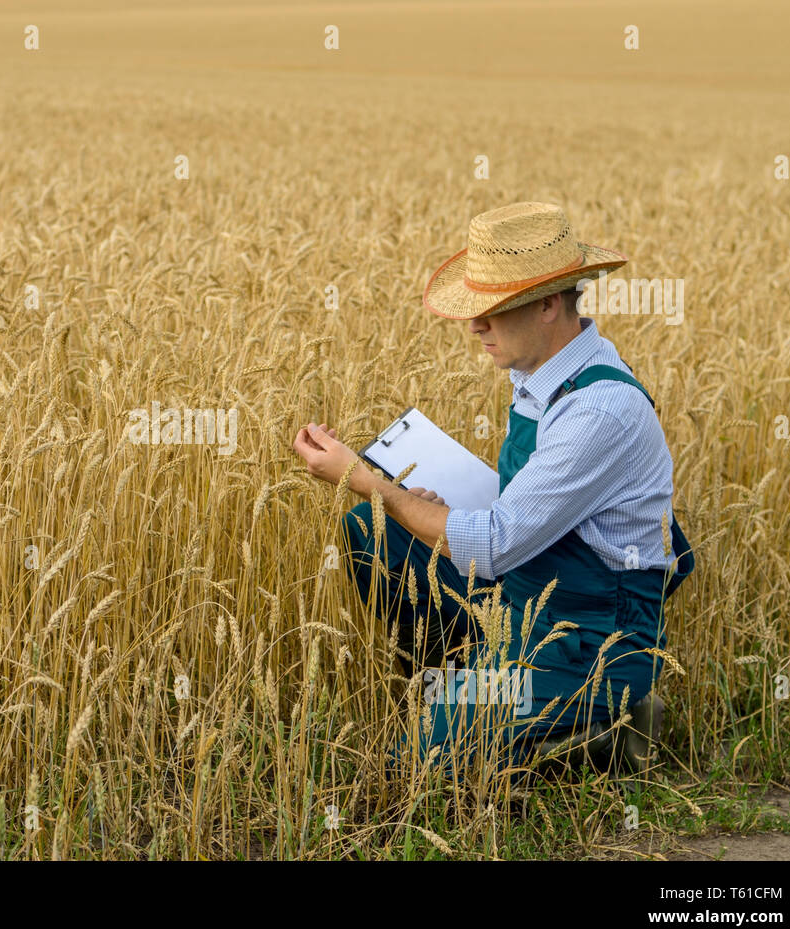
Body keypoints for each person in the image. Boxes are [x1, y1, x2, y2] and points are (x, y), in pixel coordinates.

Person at [292, 202, 694, 771]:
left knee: (419, 765)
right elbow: (526, 518)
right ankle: (479, 688)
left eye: (493, 311)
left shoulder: (600, 410)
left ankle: (605, 723)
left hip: (591, 638)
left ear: (549, 304)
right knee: (372, 530)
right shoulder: (539, 372)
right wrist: (415, 508)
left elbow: (498, 542)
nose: (474, 325)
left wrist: (366, 480)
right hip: (525, 593)